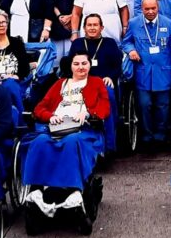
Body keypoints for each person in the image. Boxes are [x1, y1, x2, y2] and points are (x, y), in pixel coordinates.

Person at [23, 51, 109, 216]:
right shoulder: (60, 84)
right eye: (76, 64)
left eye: (84, 63)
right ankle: (37, 188)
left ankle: (73, 189)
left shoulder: (96, 82)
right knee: (40, 142)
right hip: (57, 127)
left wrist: (88, 113)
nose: (80, 67)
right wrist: (51, 116)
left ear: (90, 65)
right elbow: (40, 108)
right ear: (70, 66)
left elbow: (105, 107)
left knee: (71, 142)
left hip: (83, 129)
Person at [122, 0, 171, 151]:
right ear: (142, 8)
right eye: (147, 9)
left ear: (158, 7)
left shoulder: (167, 23)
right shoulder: (134, 23)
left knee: (162, 105)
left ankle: (160, 136)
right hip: (143, 71)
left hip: (163, 71)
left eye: (153, 8)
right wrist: (131, 50)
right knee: (144, 105)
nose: (150, 11)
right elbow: (126, 42)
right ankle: (146, 136)